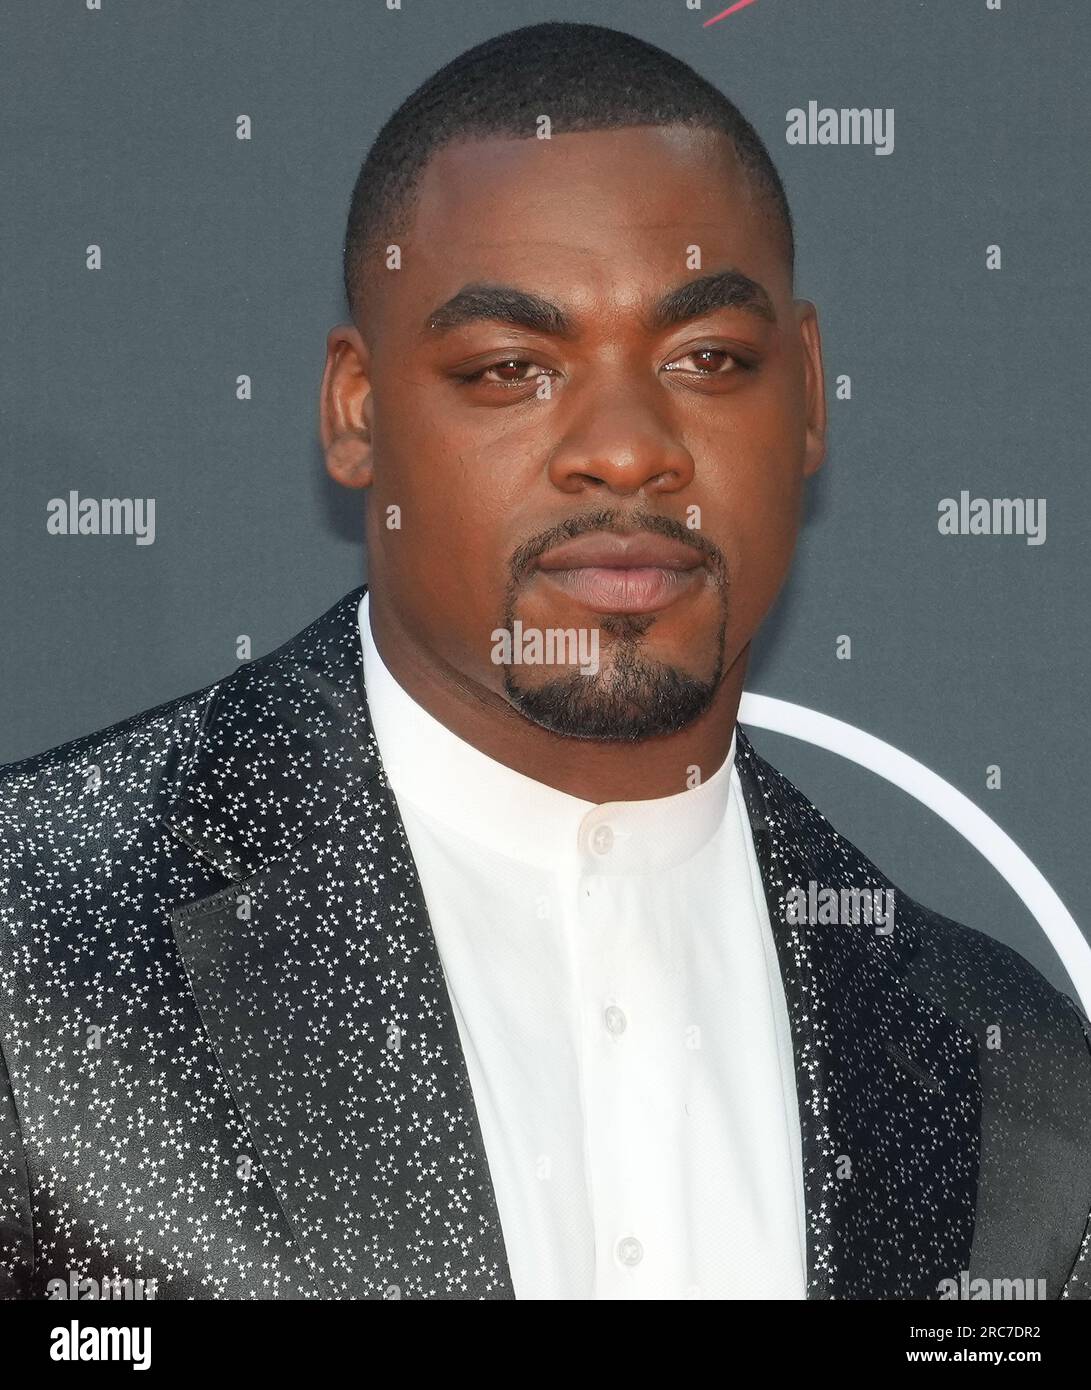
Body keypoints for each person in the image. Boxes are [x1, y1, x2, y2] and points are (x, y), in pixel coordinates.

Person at [1, 20, 1089, 1302]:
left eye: (707, 360)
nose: (625, 450)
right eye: (512, 368)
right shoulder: (38, 934)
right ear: (356, 410)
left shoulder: (1002, 1060)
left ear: (803, 393)